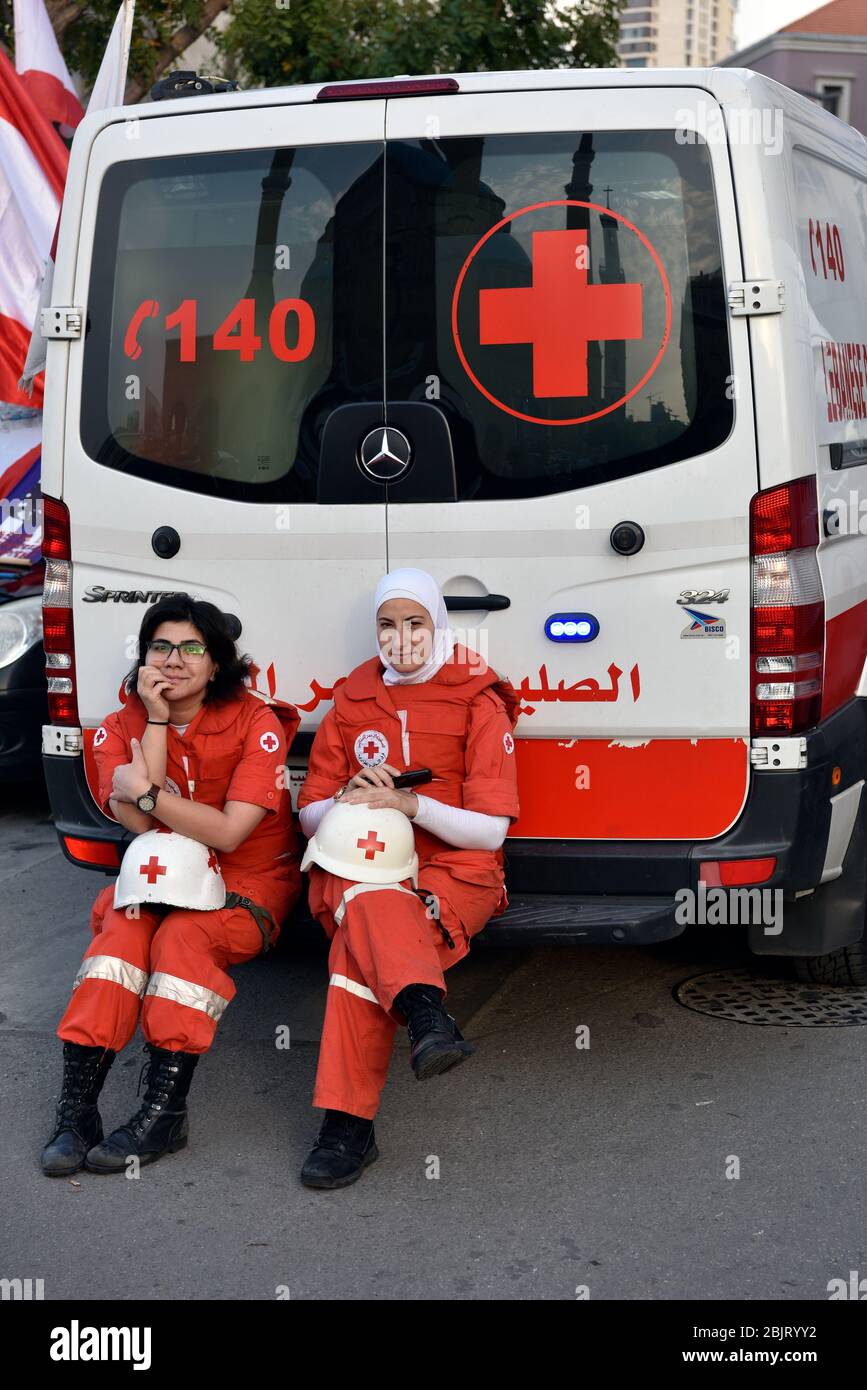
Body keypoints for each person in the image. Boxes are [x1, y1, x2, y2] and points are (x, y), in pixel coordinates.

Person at [41, 594, 301, 1176]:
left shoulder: (256, 722)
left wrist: (153, 795)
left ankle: (164, 1114)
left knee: (183, 940)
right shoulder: (121, 724)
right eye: (161, 646)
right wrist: (156, 722)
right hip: (161, 874)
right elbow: (133, 823)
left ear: (217, 662)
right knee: (118, 946)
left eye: (192, 648)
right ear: (143, 656)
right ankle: (76, 1112)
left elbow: (231, 834)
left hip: (247, 879)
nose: (175, 660)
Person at [297, 567, 521, 1188]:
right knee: (373, 900)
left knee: (356, 949)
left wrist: (412, 806)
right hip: (358, 863)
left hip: (453, 873)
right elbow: (310, 814)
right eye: (388, 625)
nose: (402, 638)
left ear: (438, 625)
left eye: (416, 623)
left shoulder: (479, 699)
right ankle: (425, 1013)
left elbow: (491, 833)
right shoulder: (350, 699)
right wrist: (348, 795)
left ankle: (347, 1127)